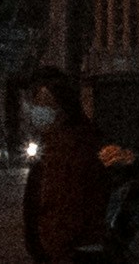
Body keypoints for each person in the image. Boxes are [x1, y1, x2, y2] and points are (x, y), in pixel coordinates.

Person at [23, 74, 107, 264]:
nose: (37, 110)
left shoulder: (73, 146)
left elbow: (66, 206)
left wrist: (56, 246)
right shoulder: (55, 143)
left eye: (44, 103)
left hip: (69, 253)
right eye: (35, 103)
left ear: (62, 108)